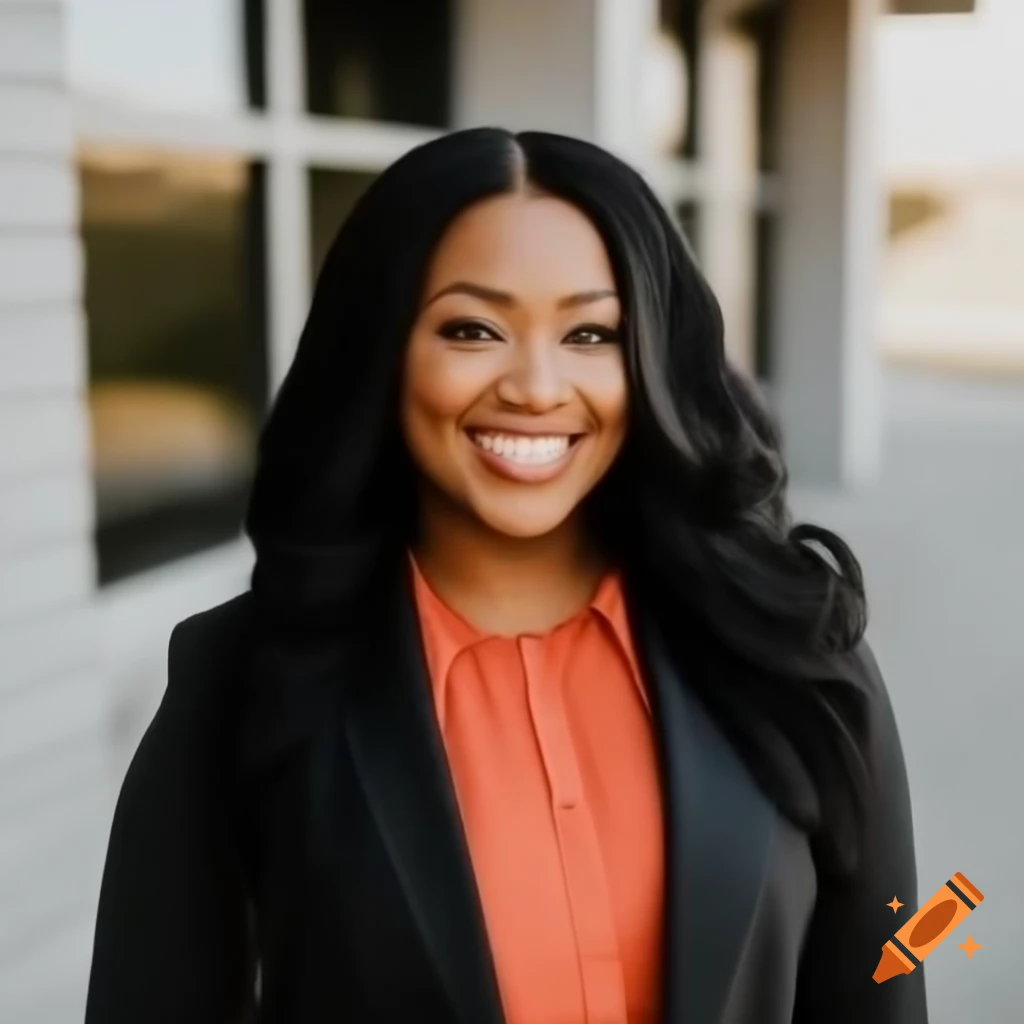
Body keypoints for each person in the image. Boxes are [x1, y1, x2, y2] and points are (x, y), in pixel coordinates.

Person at [84, 128, 927, 1024]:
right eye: (472, 329)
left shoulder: (789, 638)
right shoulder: (237, 683)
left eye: (591, 332)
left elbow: (894, 964)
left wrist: (956, 928)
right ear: (383, 348)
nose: (536, 386)